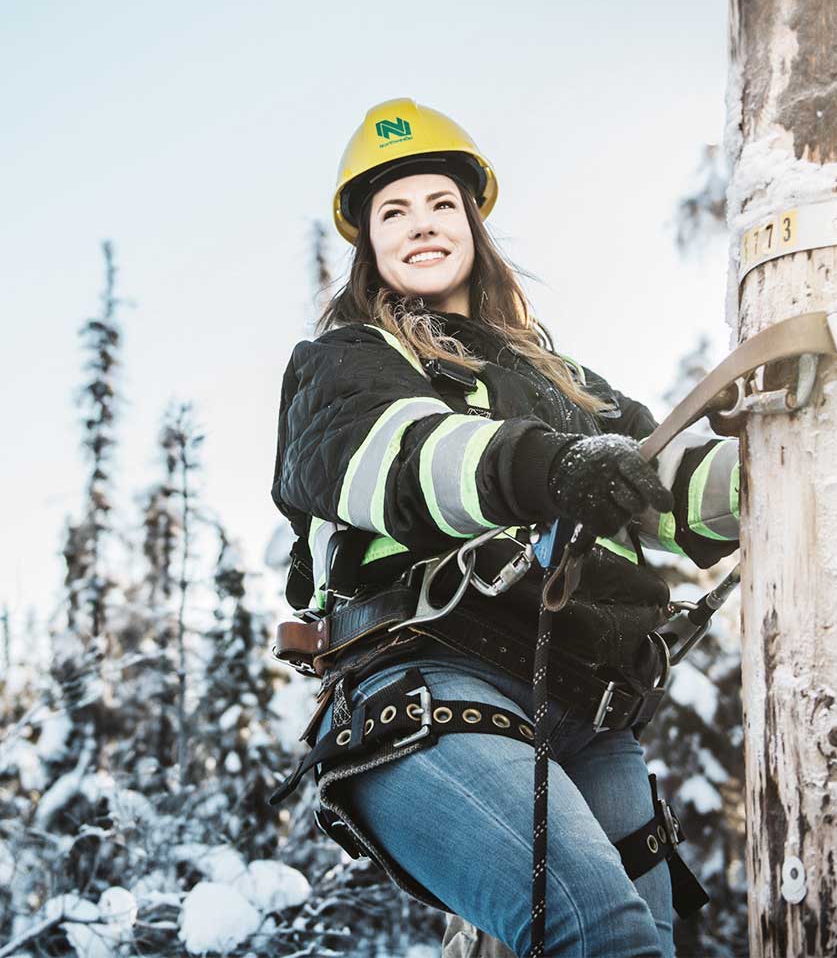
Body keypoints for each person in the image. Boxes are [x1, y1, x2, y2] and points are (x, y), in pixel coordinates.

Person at [268, 98, 740, 958]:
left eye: (441, 204)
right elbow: (398, 458)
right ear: (367, 243)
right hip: (430, 681)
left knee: (646, 946)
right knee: (601, 933)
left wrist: (771, 475)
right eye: (394, 212)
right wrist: (548, 470)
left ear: (473, 225)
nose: (421, 226)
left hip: (589, 711)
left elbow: (664, 482)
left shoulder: (566, 384)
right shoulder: (344, 365)